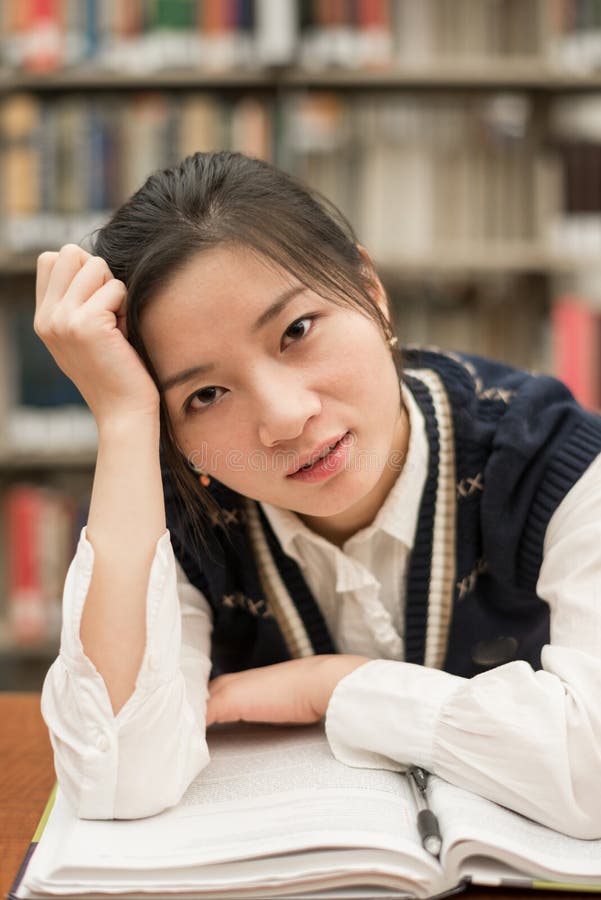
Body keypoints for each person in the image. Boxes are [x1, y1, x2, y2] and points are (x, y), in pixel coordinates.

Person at [36, 151, 601, 835]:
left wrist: (335, 687)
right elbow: (116, 777)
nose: (283, 417)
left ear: (369, 289)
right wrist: (124, 422)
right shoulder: (162, 503)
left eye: (296, 331)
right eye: (204, 394)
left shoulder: (550, 456)